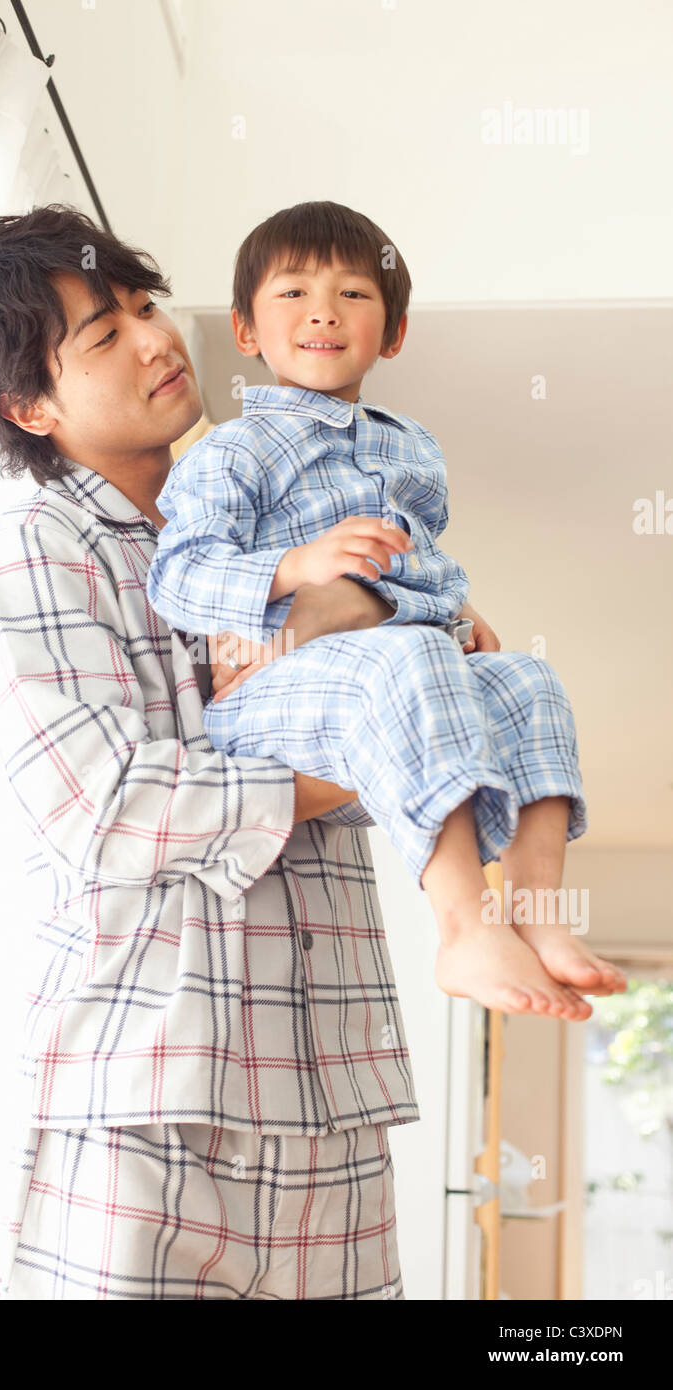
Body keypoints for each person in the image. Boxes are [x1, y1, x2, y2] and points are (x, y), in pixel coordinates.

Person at [0, 204, 430, 1300]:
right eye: (104, 336)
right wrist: (386, 742)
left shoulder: (275, 542)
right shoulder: (33, 553)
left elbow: (380, 755)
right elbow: (110, 807)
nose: (158, 340)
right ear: (30, 405)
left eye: (146, 307)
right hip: (142, 1098)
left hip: (333, 1099)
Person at [146, 199, 627, 1020]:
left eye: (354, 294)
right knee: (412, 656)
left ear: (393, 331)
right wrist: (297, 565)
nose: (323, 311)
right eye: (293, 292)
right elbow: (179, 575)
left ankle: (538, 914)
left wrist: (454, 601)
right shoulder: (234, 450)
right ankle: (463, 928)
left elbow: (416, 556)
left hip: (395, 687)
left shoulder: (411, 447)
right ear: (246, 329)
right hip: (272, 691)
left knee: (527, 679)